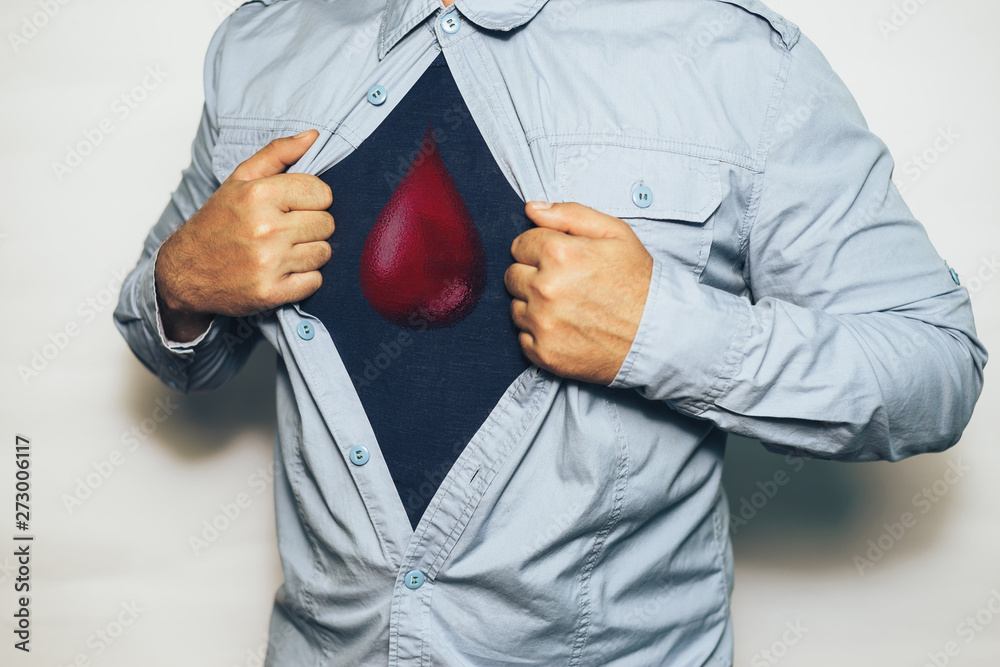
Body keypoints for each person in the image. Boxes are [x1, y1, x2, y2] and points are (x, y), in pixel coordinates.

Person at [114, 0, 987, 664]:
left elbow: (934, 366)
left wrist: (660, 333)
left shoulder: (732, 61)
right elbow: (171, 345)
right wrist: (180, 282)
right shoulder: (264, 45)